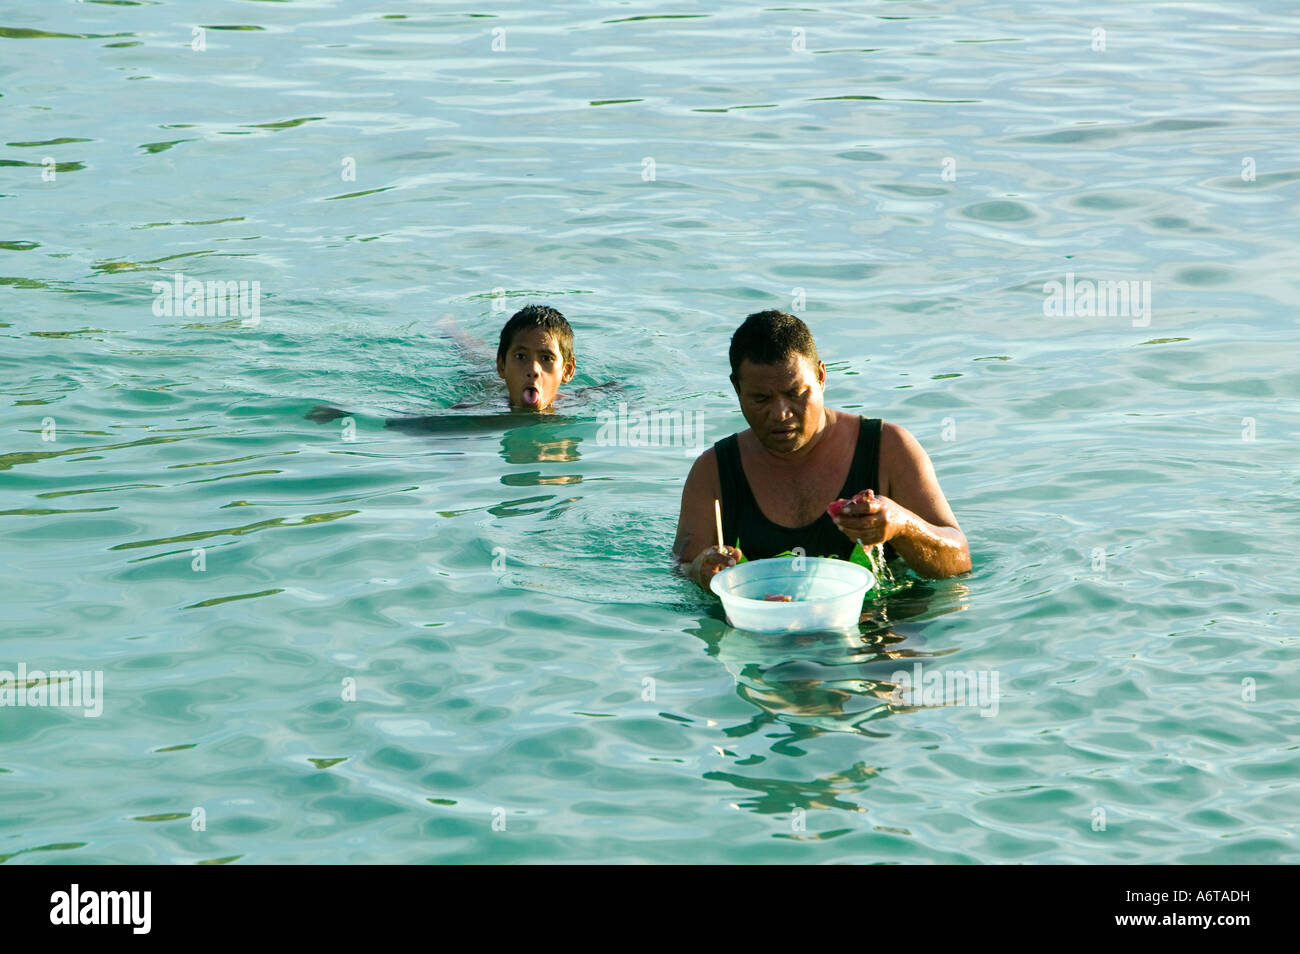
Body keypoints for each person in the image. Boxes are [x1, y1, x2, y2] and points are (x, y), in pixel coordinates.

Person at [674, 310, 971, 589]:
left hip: (879, 628)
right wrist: (700, 570)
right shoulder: (713, 472)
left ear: (821, 377)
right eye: (761, 399)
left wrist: (902, 525)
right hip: (765, 629)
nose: (780, 413)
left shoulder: (888, 449)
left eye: (795, 394)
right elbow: (682, 570)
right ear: (737, 389)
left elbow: (959, 564)